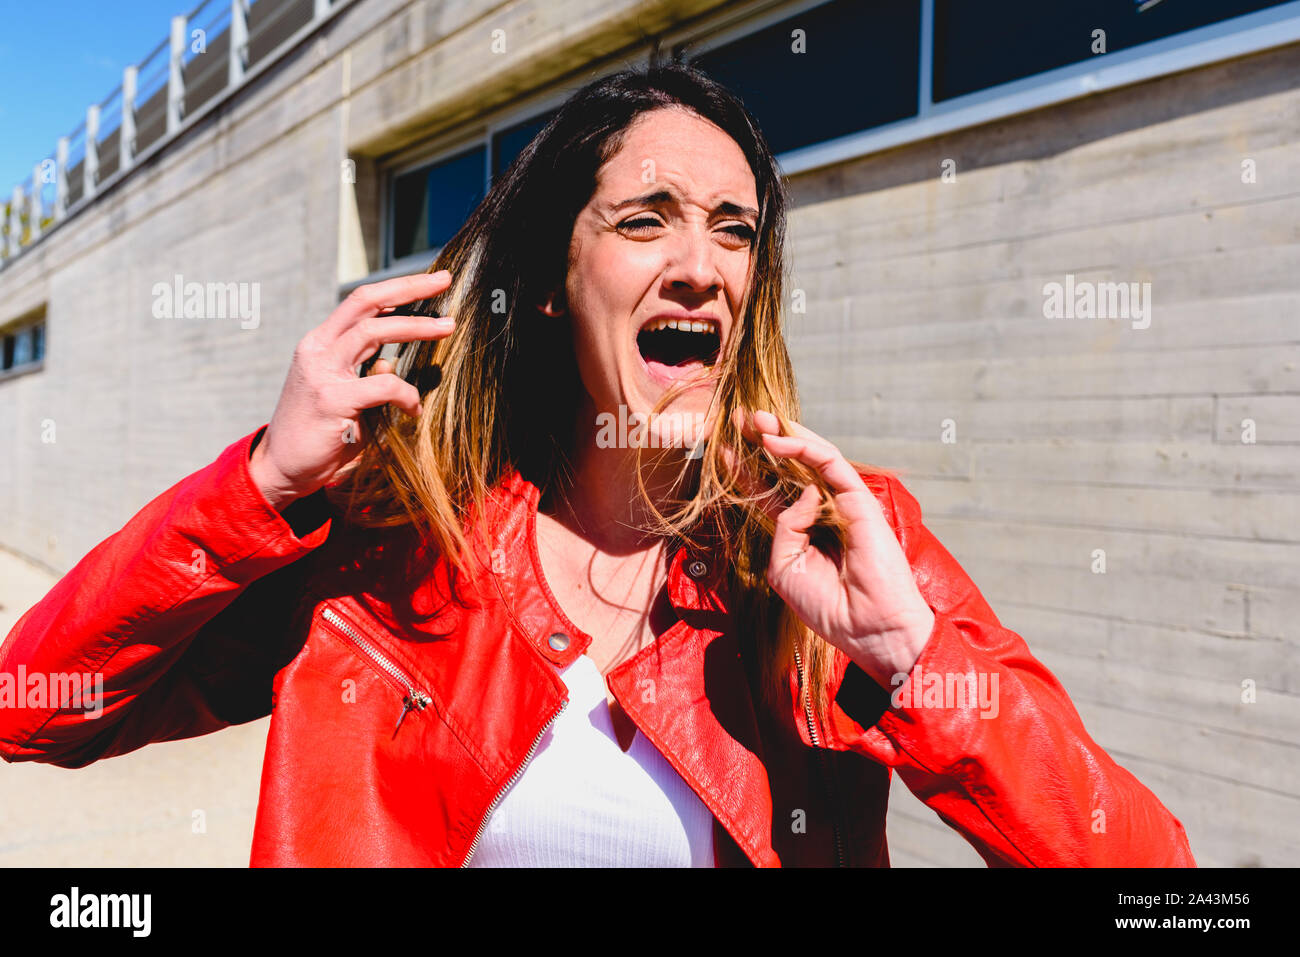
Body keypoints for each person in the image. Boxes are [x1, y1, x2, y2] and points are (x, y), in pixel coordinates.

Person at [0, 62, 1194, 868]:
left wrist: (909, 660)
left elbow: (1152, 874)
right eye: (645, 219)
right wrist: (259, 483)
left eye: (734, 230)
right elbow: (33, 706)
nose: (702, 266)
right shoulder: (395, 541)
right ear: (551, 286)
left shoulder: (845, 543)